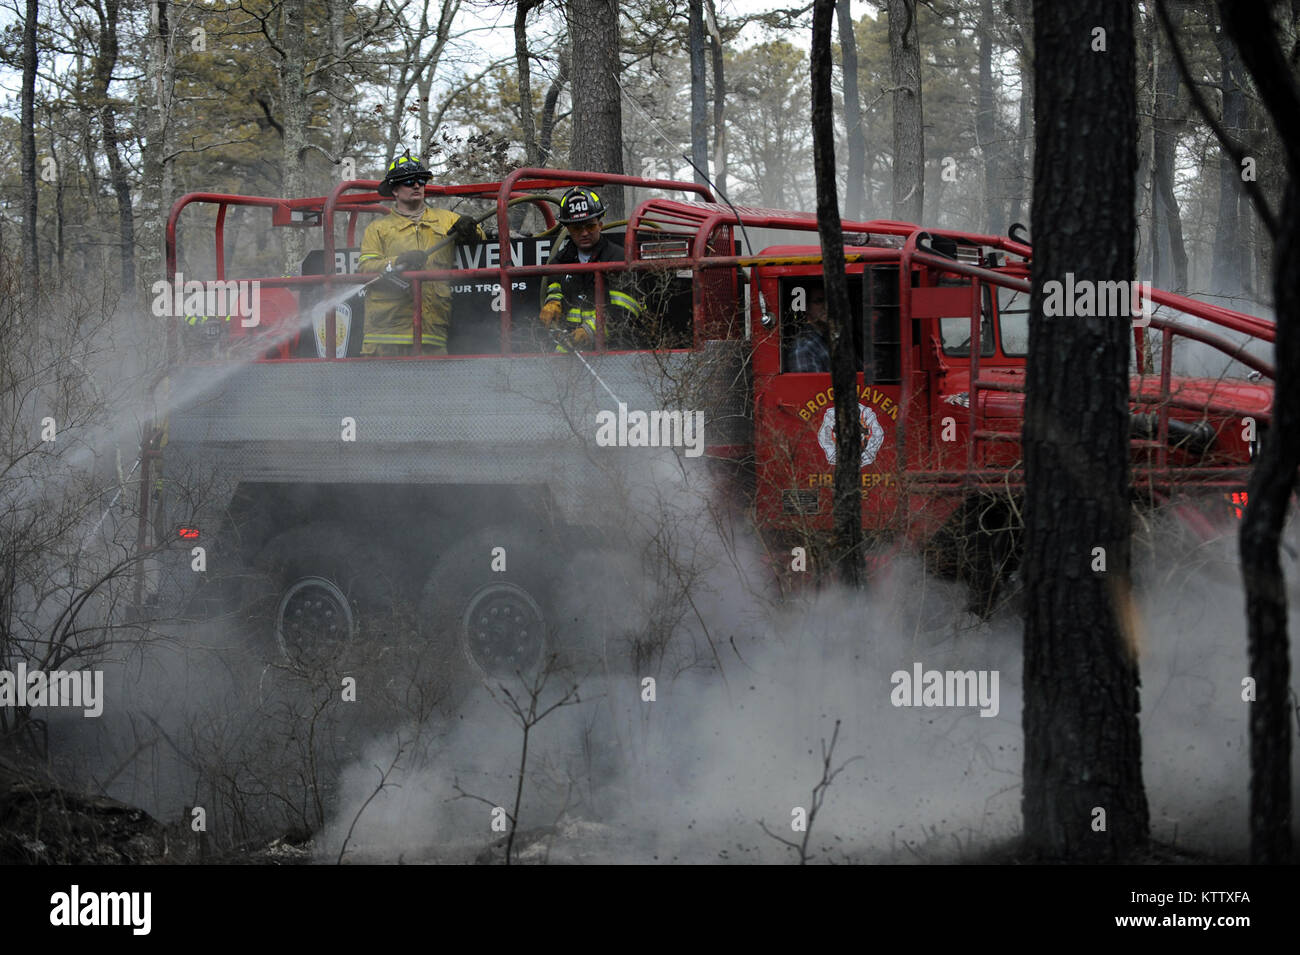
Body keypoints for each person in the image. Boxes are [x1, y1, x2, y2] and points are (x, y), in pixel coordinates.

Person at [357, 152, 483, 355]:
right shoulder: (378, 228)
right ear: (395, 190)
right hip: (386, 335)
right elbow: (365, 269)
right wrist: (399, 261)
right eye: (408, 181)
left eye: (421, 180)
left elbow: (479, 237)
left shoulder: (447, 220)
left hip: (431, 331)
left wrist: (470, 229)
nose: (417, 185)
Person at [538, 186, 644, 352]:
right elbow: (554, 286)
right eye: (577, 228)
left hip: (614, 348)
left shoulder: (618, 259)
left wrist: (591, 330)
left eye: (590, 226)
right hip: (572, 347)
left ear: (600, 225)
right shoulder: (560, 261)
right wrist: (553, 301)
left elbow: (626, 310)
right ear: (568, 229)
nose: (585, 233)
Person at [788, 285, 831, 372]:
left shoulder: (832, 338)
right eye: (819, 301)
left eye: (829, 301)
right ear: (807, 308)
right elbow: (810, 385)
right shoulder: (804, 347)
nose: (826, 306)